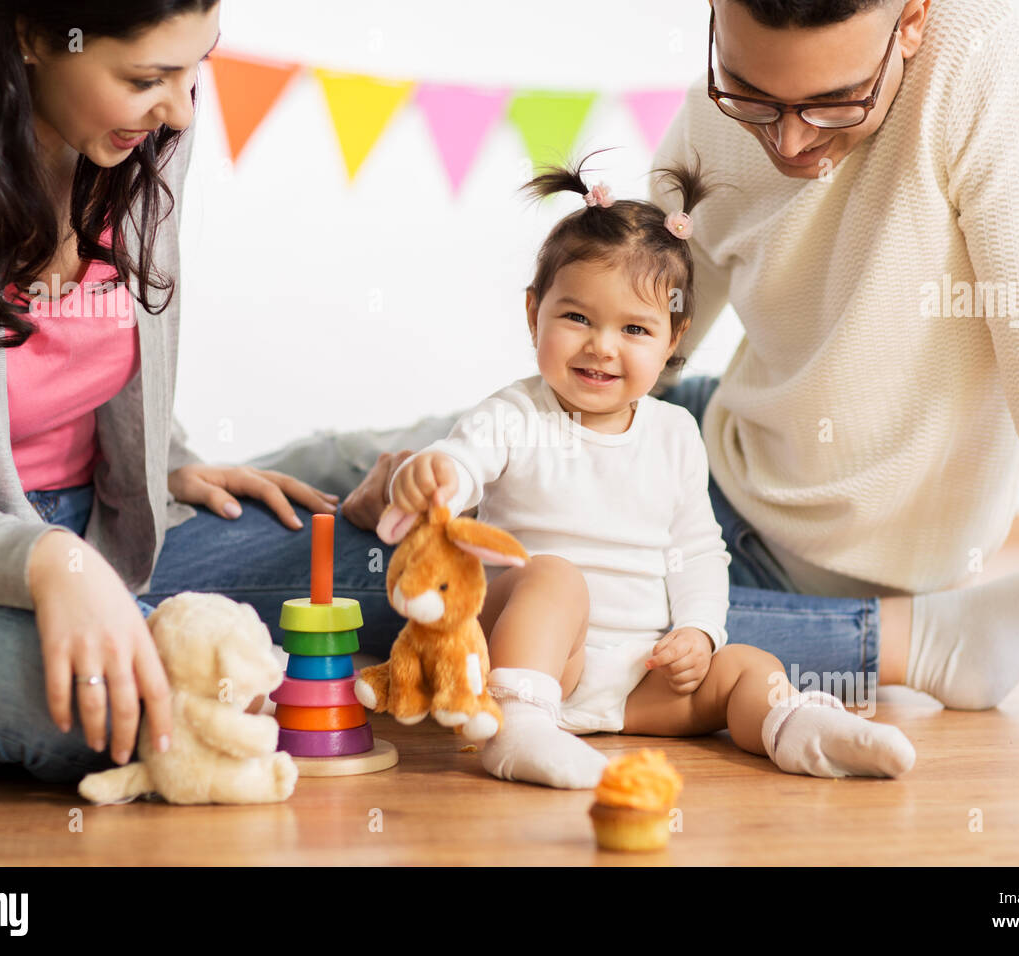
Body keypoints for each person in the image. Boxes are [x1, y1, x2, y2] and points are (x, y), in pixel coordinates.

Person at [632, 0, 1019, 736]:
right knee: (440, 527)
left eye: (834, 103)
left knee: (540, 619)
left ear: (913, 17)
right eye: (752, 96)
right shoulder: (715, 109)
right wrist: (541, 455)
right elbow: (642, 311)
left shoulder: (1002, 65)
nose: (789, 141)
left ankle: (921, 640)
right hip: (720, 441)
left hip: (788, 550)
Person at [0, 0, 368, 783]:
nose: (179, 107)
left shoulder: (141, 139)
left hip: (102, 531)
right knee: (91, 698)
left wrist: (153, 463)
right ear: (31, 35)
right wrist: (47, 561)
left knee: (382, 560)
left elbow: (95, 351)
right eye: (147, 76)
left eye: (196, 66)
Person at [377, 156, 917, 788]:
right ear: (533, 313)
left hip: (635, 678)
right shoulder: (517, 413)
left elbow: (697, 549)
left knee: (746, 666)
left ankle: (800, 730)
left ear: (672, 338)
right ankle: (516, 728)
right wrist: (432, 472)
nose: (602, 345)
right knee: (553, 577)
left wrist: (698, 633)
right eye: (577, 317)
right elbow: (462, 463)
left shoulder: (674, 433)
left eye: (634, 328)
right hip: (528, 654)